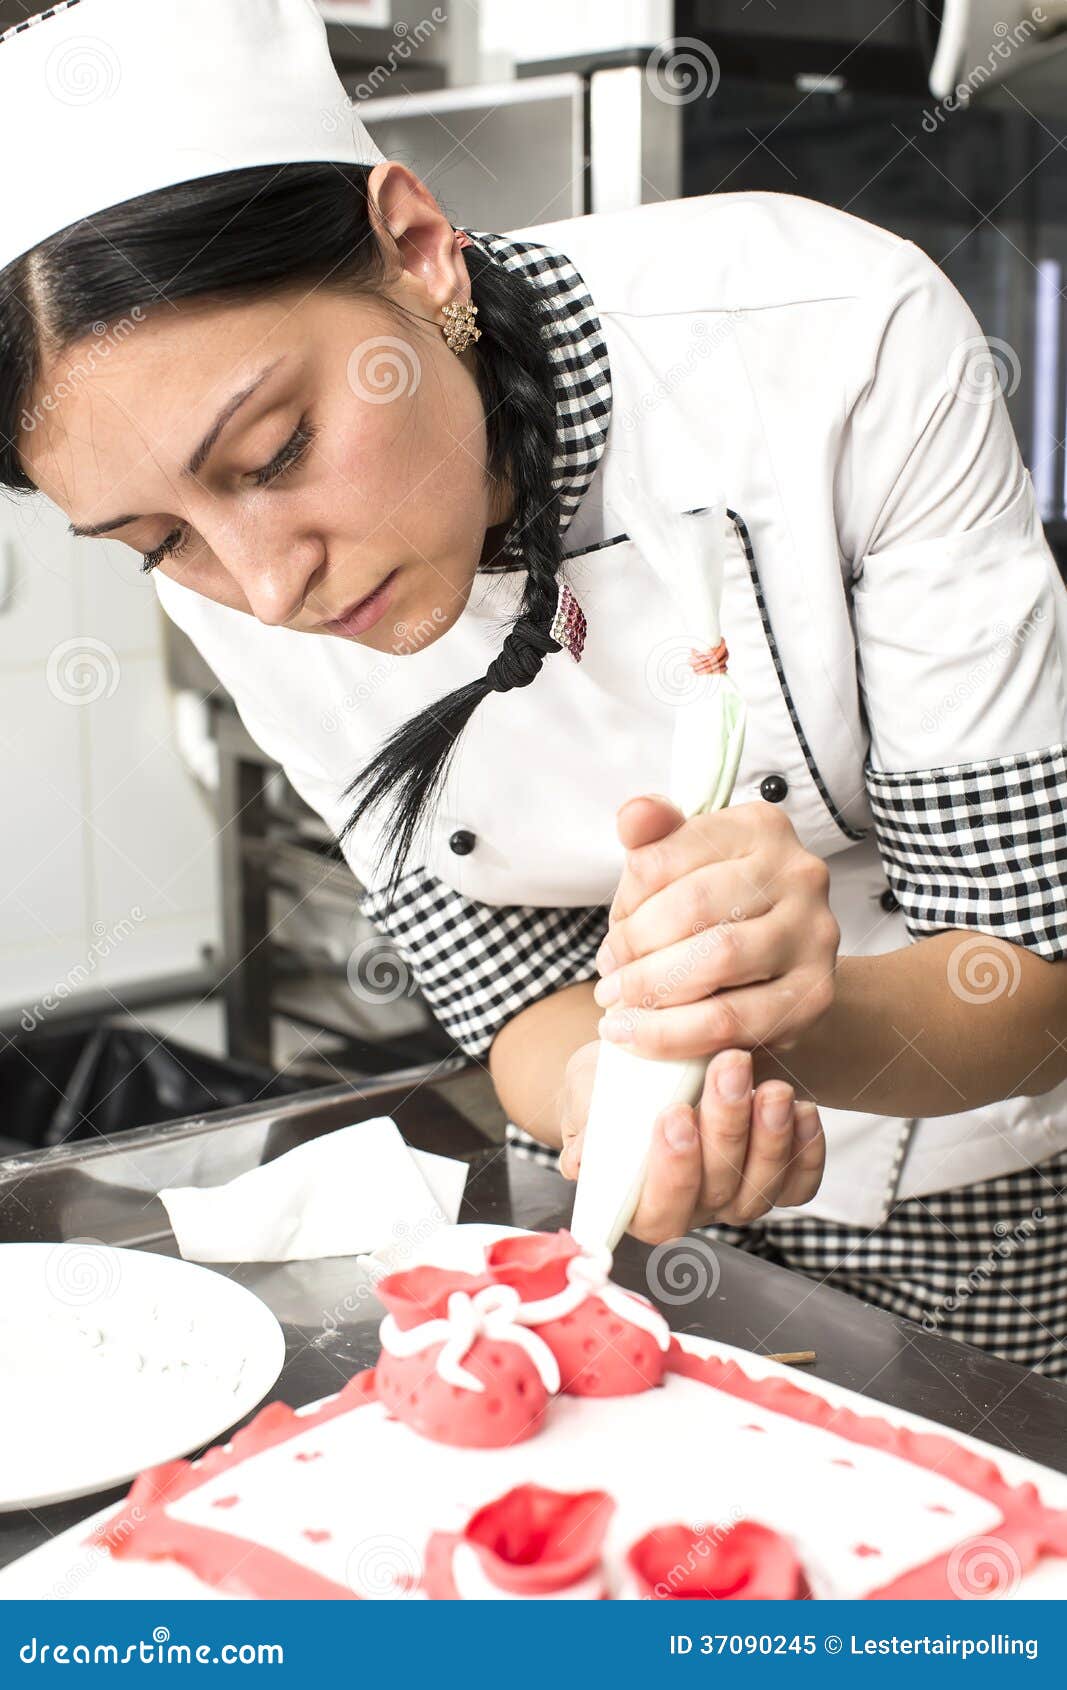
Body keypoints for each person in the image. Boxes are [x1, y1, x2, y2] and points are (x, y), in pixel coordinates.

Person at [2, 0, 1065, 1373]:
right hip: (611, 1200)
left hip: (973, 1193)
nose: (267, 589)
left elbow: (1030, 979)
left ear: (420, 248)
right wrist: (622, 1104)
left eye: (275, 451)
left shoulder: (835, 338)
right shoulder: (237, 574)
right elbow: (513, 1008)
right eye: (160, 541)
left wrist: (782, 1015)